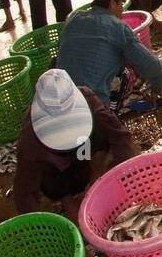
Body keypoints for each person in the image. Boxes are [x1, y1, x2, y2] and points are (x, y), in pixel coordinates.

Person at [13, 69, 136, 221]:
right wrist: (35, 223)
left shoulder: (86, 96)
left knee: (100, 130)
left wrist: (129, 177)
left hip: (84, 148)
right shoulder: (29, 140)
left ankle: (96, 177)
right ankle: (68, 201)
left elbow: (119, 134)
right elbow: (24, 193)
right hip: (57, 168)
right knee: (52, 181)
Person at [56, 0, 162, 113]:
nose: (122, 9)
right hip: (93, 111)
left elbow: (60, 51)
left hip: (58, 104)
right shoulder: (117, 26)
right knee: (124, 71)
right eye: (121, 3)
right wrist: (159, 88)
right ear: (113, 1)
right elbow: (153, 67)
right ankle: (112, 114)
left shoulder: (73, 19)